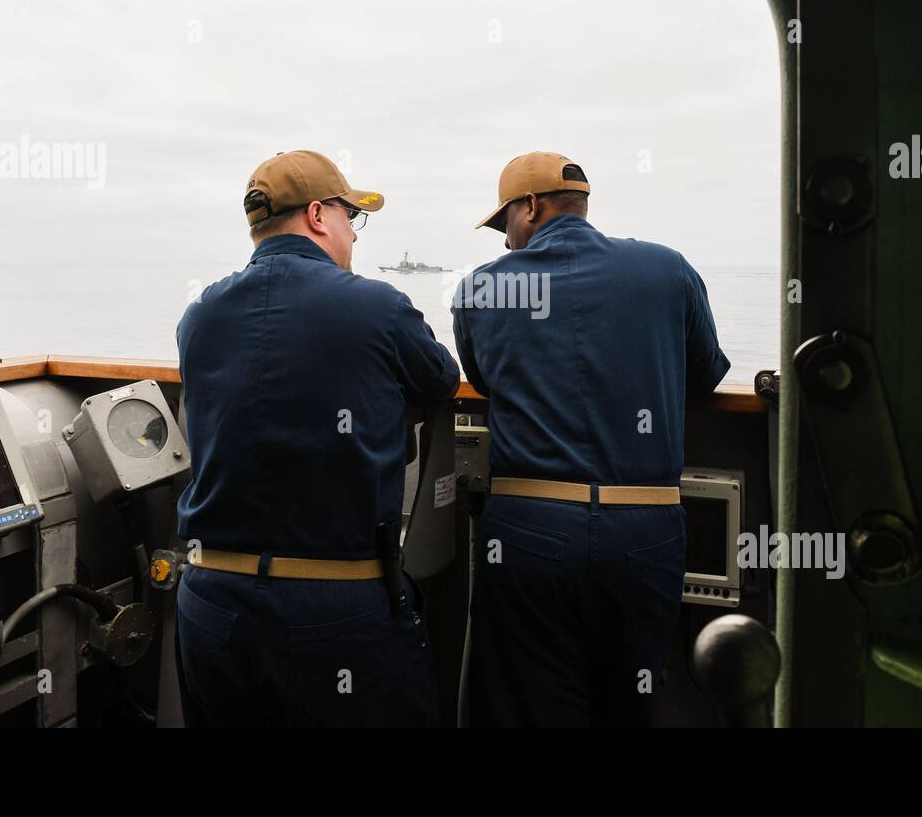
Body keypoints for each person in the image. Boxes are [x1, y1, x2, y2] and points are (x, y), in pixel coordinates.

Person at [176, 149, 460, 726]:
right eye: (351, 217)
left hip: (209, 603)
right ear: (317, 216)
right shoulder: (377, 305)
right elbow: (441, 379)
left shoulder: (198, 316)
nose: (354, 235)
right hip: (334, 606)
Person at [453, 151, 730, 726]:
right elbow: (703, 376)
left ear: (528, 207)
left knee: (527, 707)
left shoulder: (482, 289)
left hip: (529, 530)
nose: (505, 243)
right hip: (646, 529)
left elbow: (484, 381)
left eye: (505, 225)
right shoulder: (668, 269)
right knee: (629, 704)